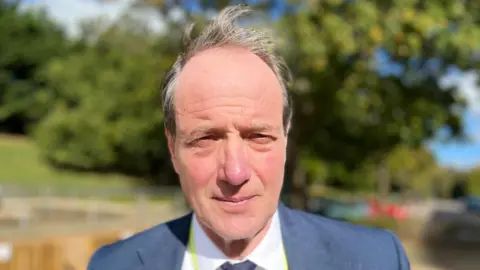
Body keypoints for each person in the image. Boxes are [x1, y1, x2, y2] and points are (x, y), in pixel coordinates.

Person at [87, 5, 410, 270]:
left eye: (258, 136)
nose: (235, 172)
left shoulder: (377, 260)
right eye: (206, 139)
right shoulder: (113, 265)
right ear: (173, 149)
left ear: (285, 139)